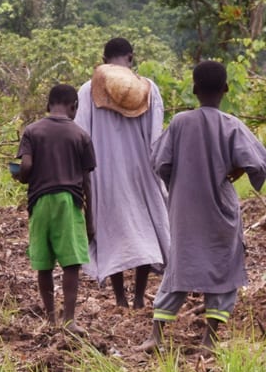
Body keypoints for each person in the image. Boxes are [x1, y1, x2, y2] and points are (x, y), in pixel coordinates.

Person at [144, 59, 266, 349]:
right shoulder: (231, 125)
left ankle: (156, 336)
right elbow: (259, 164)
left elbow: (160, 162)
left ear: (194, 89)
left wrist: (178, 184)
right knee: (224, 270)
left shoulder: (180, 122)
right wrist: (231, 173)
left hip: (185, 209)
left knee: (179, 268)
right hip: (221, 211)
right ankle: (209, 340)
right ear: (225, 89)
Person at [76, 37, 169, 308]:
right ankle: (139, 297)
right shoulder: (149, 89)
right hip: (142, 171)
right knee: (144, 230)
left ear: (104, 60)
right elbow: (156, 139)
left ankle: (119, 298)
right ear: (131, 58)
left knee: (111, 230)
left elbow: (81, 135)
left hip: (103, 173)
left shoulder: (87, 90)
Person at [13, 84, 95, 326]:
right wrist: (90, 221)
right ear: (74, 107)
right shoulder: (81, 135)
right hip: (69, 202)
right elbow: (87, 181)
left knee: (44, 263)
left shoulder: (32, 131)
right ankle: (69, 319)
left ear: (47, 106)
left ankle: (50, 319)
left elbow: (25, 166)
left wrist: (21, 177)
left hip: (39, 203)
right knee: (71, 263)